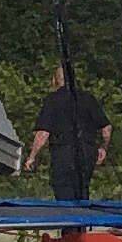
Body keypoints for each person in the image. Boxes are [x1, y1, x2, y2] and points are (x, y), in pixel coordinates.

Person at [22, 70, 107, 208]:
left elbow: (43, 133)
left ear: (55, 80)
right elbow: (106, 128)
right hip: (87, 152)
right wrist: (103, 147)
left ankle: (70, 227)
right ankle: (81, 226)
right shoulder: (88, 98)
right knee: (82, 191)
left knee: (64, 194)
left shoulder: (53, 100)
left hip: (64, 153)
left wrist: (32, 156)